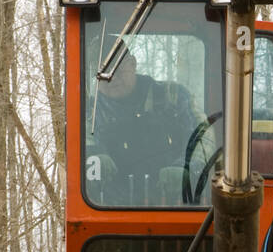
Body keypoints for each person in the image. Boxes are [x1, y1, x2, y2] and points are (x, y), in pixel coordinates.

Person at [87, 45, 211, 205]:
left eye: (117, 68)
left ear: (132, 63)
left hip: (175, 205)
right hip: (107, 210)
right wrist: (92, 154)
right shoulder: (88, 112)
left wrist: (185, 167)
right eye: (102, 73)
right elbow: (78, 145)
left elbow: (202, 137)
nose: (112, 78)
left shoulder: (173, 97)